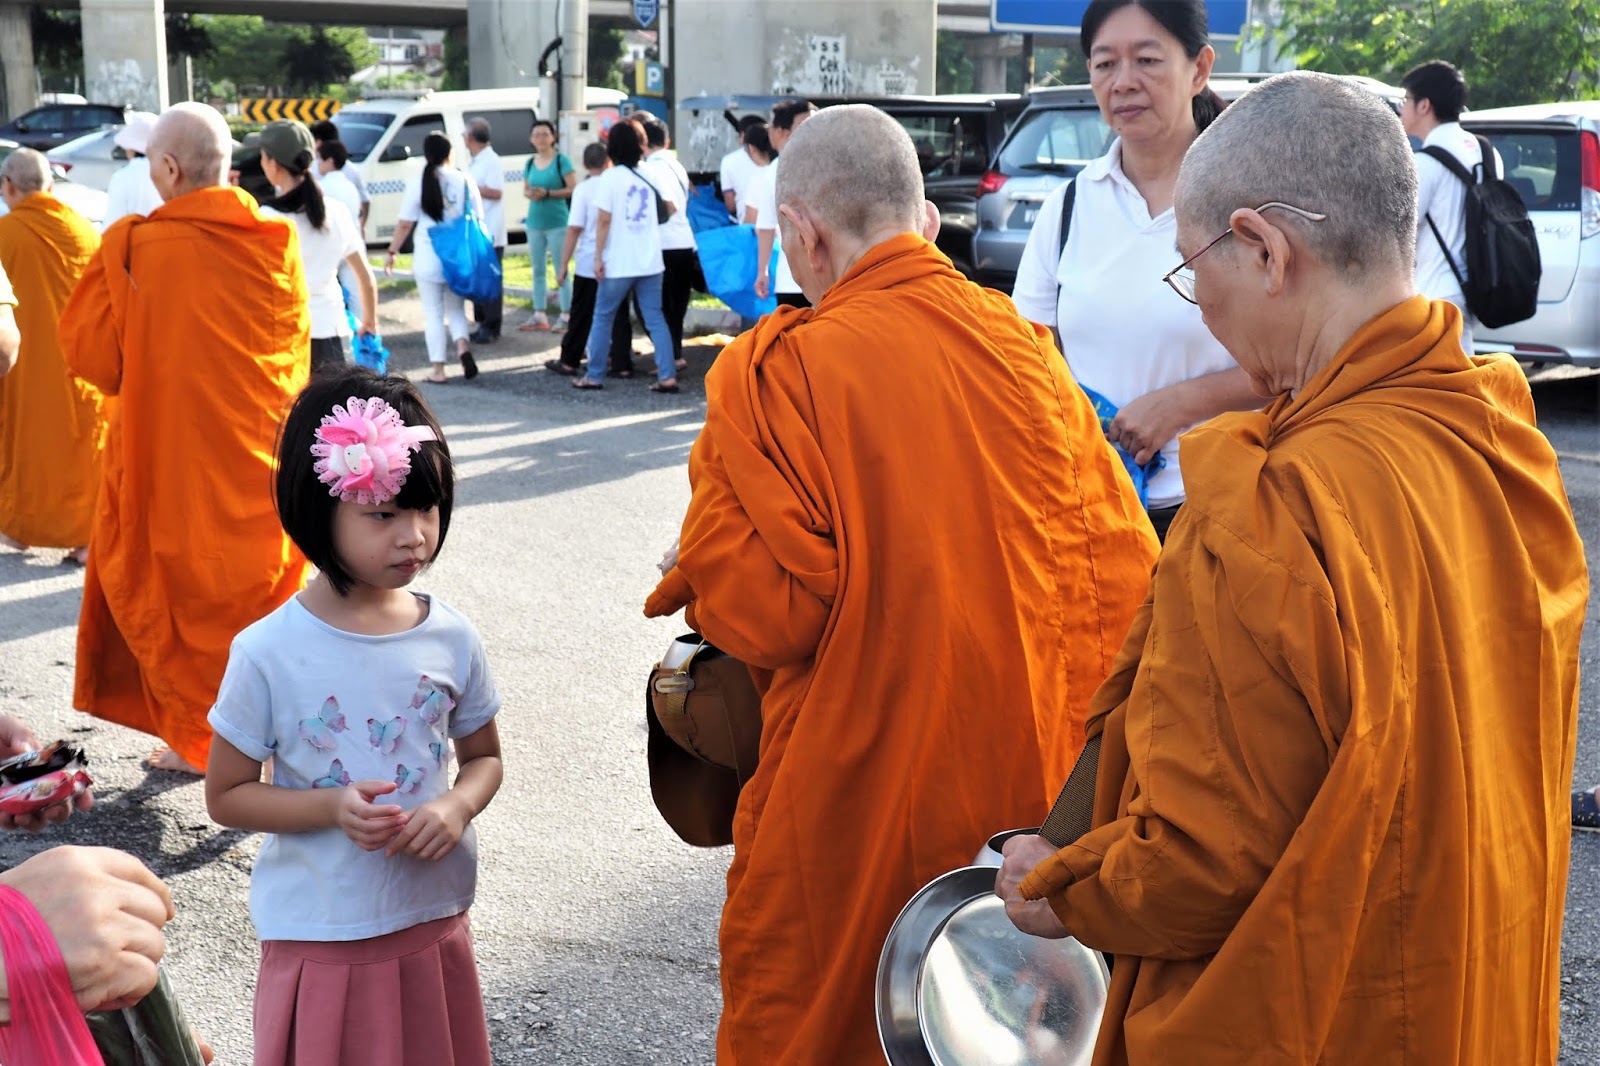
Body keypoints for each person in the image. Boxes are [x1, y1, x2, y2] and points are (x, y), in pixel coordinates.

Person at [996, 71, 1589, 1065]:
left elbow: (1198, 855)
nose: (1204, 309)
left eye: (1196, 274)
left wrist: (1060, 890)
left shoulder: (1273, 505)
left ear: (1265, 251)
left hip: (1315, 1021)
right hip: (1469, 995)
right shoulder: (1503, 444)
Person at [644, 104, 1158, 1064]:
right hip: (1032, 805)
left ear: (801, 232)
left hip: (854, 798)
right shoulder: (1025, 351)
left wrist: (699, 568)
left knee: (825, 1029)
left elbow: (765, 615)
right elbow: (1130, 581)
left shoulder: (777, 374)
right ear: (921, 221)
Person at [206, 366, 502, 1066]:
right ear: (320, 512)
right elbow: (226, 794)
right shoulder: (268, 652)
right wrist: (332, 806)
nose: (414, 536)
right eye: (384, 515)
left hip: (430, 921)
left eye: (427, 511)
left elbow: (484, 758)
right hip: (323, 932)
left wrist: (458, 806)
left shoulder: (451, 637)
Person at [58, 102, 311, 777]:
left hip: (172, 467)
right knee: (258, 598)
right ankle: (262, 734)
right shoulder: (276, 242)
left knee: (178, 595)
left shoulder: (136, 246)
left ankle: (198, 737)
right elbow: (291, 357)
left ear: (168, 167)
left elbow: (93, 361)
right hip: (263, 469)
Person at [1010, 0, 1262, 542]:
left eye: (1147, 60)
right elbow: (1030, 354)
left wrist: (1180, 405)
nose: (1123, 82)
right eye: (1105, 64)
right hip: (1092, 507)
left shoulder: (1253, 207)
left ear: (1199, 69)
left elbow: (1306, 359)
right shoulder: (1067, 207)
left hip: (1224, 510)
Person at [0, 148, 105, 568]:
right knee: (84, 452)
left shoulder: (6, 234)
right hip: (82, 368)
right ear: (49, 185)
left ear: (9, 186)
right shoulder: (84, 231)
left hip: (25, 369)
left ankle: (21, 527)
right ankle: (86, 539)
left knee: (25, 450)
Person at [257, 120, 378, 371]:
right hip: (334, 333)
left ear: (273, 164)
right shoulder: (336, 211)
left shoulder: (267, 218)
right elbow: (365, 277)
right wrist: (369, 321)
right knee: (332, 409)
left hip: (285, 337)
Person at [575, 122, 683, 394]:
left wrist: (597, 257)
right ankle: (667, 375)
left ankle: (595, 375)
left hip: (618, 261)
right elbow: (671, 207)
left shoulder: (610, 178)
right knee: (655, 317)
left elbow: (603, 221)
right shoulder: (651, 173)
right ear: (641, 144)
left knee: (603, 316)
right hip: (650, 260)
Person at [1400, 59, 1488, 354]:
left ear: (1424, 105)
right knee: (1460, 379)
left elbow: (1401, 231)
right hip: (1473, 289)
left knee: (1432, 388)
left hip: (1434, 294)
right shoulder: (1486, 152)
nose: (1402, 108)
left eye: (1406, 100)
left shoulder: (1425, 163)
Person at [385, 131, 482, 385]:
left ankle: (439, 369)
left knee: (433, 313)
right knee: (456, 308)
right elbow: (478, 217)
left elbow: (405, 224)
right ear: (449, 153)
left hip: (428, 255)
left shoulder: (419, 181)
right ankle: (462, 347)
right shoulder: (464, 179)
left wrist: (392, 251)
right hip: (456, 257)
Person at [549, 142, 634, 378]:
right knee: (618, 314)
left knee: (582, 313)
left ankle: (570, 359)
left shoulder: (584, 190)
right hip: (616, 260)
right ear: (608, 161)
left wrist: (563, 263)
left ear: (585, 164)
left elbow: (574, 228)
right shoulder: (619, 184)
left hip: (588, 261)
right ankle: (621, 361)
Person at [640, 116, 697, 370]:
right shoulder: (677, 165)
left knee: (653, 306)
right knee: (676, 306)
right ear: (667, 140)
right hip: (685, 242)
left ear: (643, 143)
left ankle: (669, 357)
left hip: (663, 244)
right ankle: (675, 354)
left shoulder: (650, 168)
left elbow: (668, 207)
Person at [752, 99, 817, 310]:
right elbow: (767, 226)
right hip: (798, 279)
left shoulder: (829, 167)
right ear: (780, 131)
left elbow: (766, 227)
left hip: (815, 280)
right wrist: (762, 271)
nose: (812, 131)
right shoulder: (775, 171)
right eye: (804, 125)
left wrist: (762, 271)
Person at [518, 119, 576, 332]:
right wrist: (532, 194)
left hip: (558, 222)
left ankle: (566, 314)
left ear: (554, 137)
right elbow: (525, 189)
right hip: (535, 222)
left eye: (545, 134)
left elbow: (572, 188)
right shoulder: (530, 163)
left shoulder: (562, 161)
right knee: (538, 269)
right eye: (536, 135)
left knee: (561, 269)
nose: (541, 139)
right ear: (531, 139)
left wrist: (549, 193)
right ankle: (539, 313)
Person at [463, 118, 506, 345]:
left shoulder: (491, 160)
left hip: (491, 229)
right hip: (477, 229)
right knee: (478, 278)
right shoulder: (476, 161)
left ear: (471, 137)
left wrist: (469, 188)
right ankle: (481, 322)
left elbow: (496, 192)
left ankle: (492, 325)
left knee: (490, 279)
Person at [101, 111, 163, 228]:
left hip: (137, 241)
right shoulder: (170, 171)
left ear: (131, 149)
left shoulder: (123, 176)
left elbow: (113, 223)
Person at [309, 119, 370, 236]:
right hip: (351, 231)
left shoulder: (314, 167)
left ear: (319, 142)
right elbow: (365, 200)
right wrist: (362, 225)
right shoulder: (352, 169)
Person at [718, 114, 767, 219]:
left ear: (744, 135)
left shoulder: (728, 161)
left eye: (739, 135)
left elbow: (730, 205)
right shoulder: (780, 160)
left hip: (748, 227)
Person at [315, 140, 363, 224]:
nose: (317, 163)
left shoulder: (321, 188)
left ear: (330, 161)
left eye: (319, 158)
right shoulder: (351, 187)